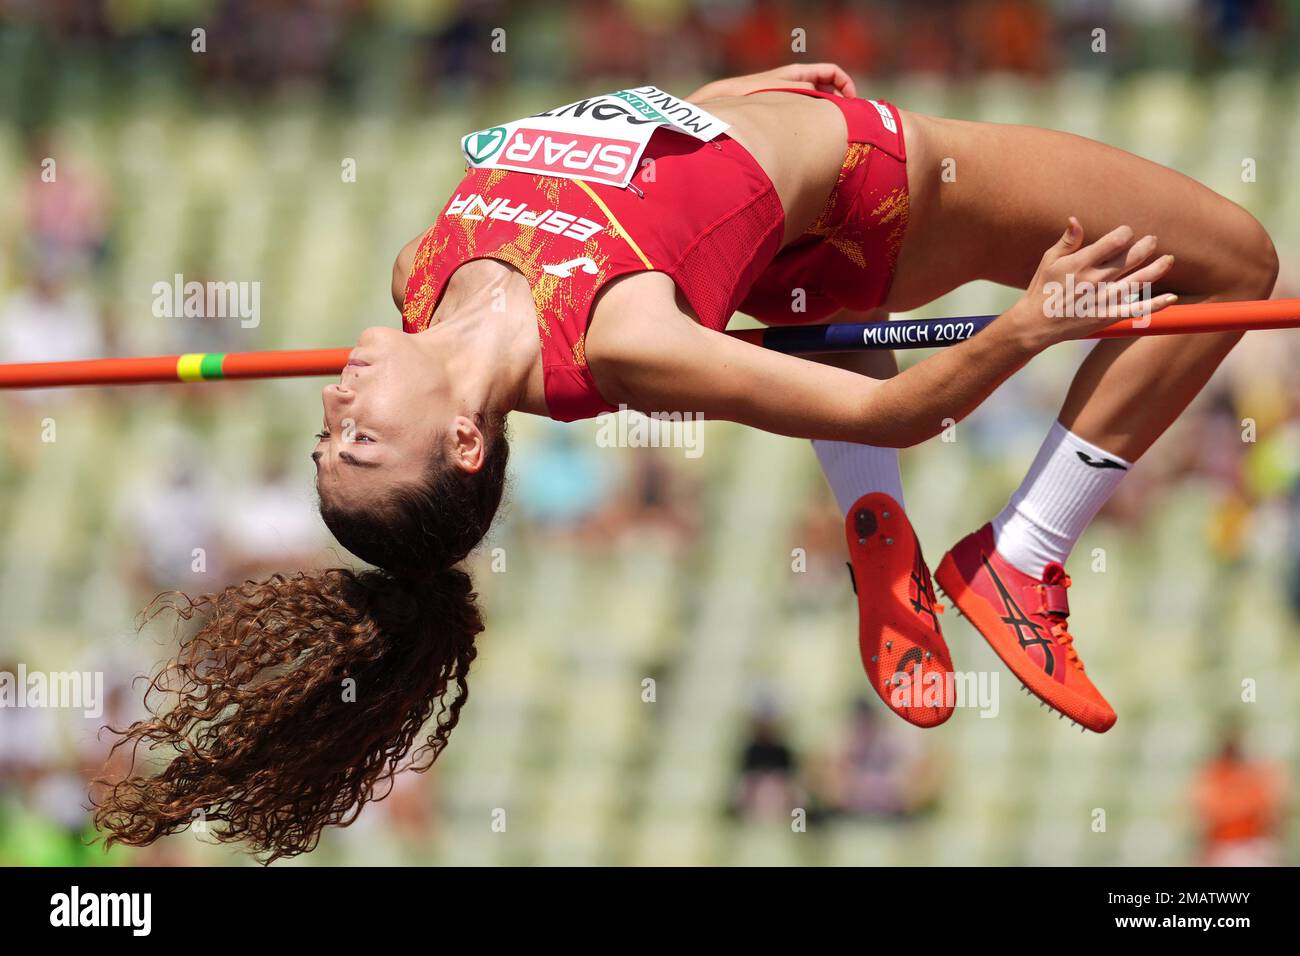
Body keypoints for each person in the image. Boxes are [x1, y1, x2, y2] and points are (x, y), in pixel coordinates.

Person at [94, 63, 1278, 860]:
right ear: (464, 440)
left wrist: (730, 96)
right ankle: (1023, 551)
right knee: (1230, 262)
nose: (334, 397)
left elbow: (623, 162)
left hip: (779, 226)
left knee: (812, 303)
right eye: (359, 435)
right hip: (875, 188)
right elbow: (903, 411)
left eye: (323, 431)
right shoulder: (619, 339)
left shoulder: (419, 268)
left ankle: (879, 529)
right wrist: (1028, 328)